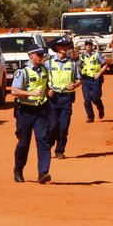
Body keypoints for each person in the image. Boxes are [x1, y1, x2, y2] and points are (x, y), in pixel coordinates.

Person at [10, 45, 52, 184]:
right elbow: (14, 91)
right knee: (23, 142)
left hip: (40, 110)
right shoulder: (22, 72)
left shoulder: (45, 70)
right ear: (31, 56)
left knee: (43, 140)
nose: (41, 57)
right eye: (38, 55)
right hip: (25, 111)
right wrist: (31, 94)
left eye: (42, 55)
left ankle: (43, 172)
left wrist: (48, 93)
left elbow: (45, 87)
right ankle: (18, 170)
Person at [46, 37, 81, 159]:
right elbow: (43, 80)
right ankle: (47, 146)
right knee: (52, 126)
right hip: (53, 98)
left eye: (66, 46)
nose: (64, 48)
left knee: (63, 128)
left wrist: (75, 85)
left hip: (66, 98)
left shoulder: (72, 63)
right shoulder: (48, 63)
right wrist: (47, 91)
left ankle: (59, 150)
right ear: (56, 47)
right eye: (61, 46)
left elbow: (79, 79)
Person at [78, 38, 106, 123]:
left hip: (95, 79)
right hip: (86, 79)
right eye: (86, 44)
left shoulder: (97, 54)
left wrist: (99, 73)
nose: (88, 46)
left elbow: (105, 65)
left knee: (95, 98)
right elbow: (79, 65)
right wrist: (81, 72)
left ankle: (100, 107)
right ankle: (90, 116)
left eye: (90, 44)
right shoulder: (82, 56)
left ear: (92, 46)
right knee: (87, 99)